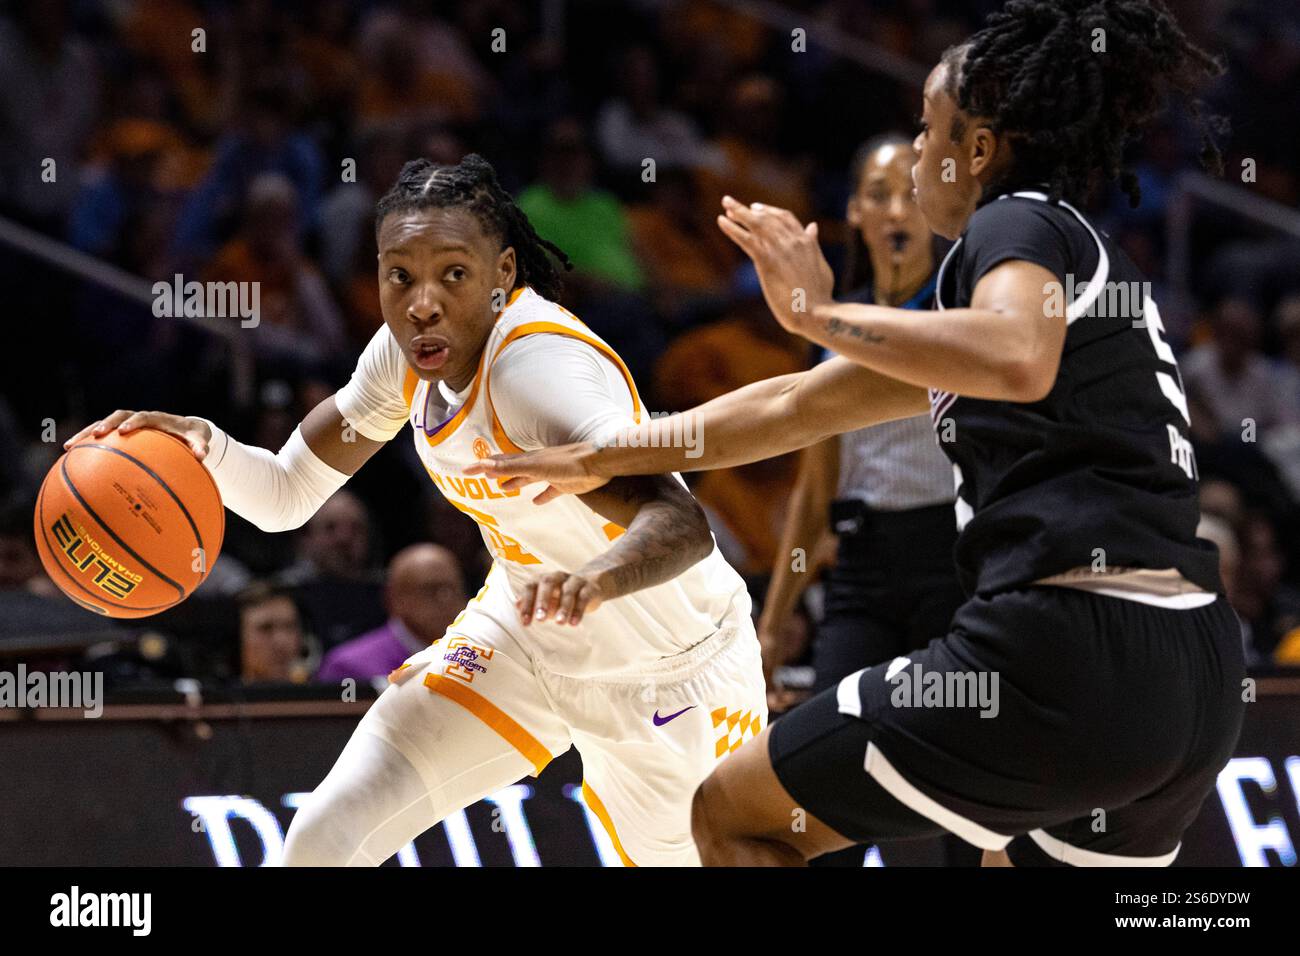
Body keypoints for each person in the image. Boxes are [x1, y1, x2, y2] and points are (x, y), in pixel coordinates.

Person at [469, 0, 1245, 868]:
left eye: (928, 128)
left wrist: (816, 309)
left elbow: (1018, 354)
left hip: (1064, 645)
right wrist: (603, 453)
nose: (917, 152)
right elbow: (794, 407)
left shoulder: (1015, 222)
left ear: (978, 149)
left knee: (734, 812)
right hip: (1194, 674)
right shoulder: (1071, 265)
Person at [66, 154, 764, 867]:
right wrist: (200, 447)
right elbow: (284, 495)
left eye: (452, 274)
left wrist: (596, 581)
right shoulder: (405, 354)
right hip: (523, 634)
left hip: (668, 671)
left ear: (503, 275)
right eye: (399, 275)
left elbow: (680, 524)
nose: (421, 301)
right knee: (322, 839)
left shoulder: (539, 373)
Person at [759, 134, 962, 701]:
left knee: (942, 744)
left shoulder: (961, 311)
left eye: (912, 195)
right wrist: (772, 630)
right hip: (863, 564)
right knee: (831, 742)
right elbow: (816, 489)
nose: (897, 211)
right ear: (854, 210)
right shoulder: (830, 333)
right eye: (879, 195)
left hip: (953, 558)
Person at [316, 543, 466, 685]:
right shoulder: (348, 668)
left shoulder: (476, 658)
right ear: (394, 599)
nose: (445, 599)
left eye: (452, 588)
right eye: (431, 590)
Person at [237, 582, 310, 684]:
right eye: (265, 628)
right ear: (240, 637)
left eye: (289, 627)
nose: (281, 641)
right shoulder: (216, 699)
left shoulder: (325, 696)